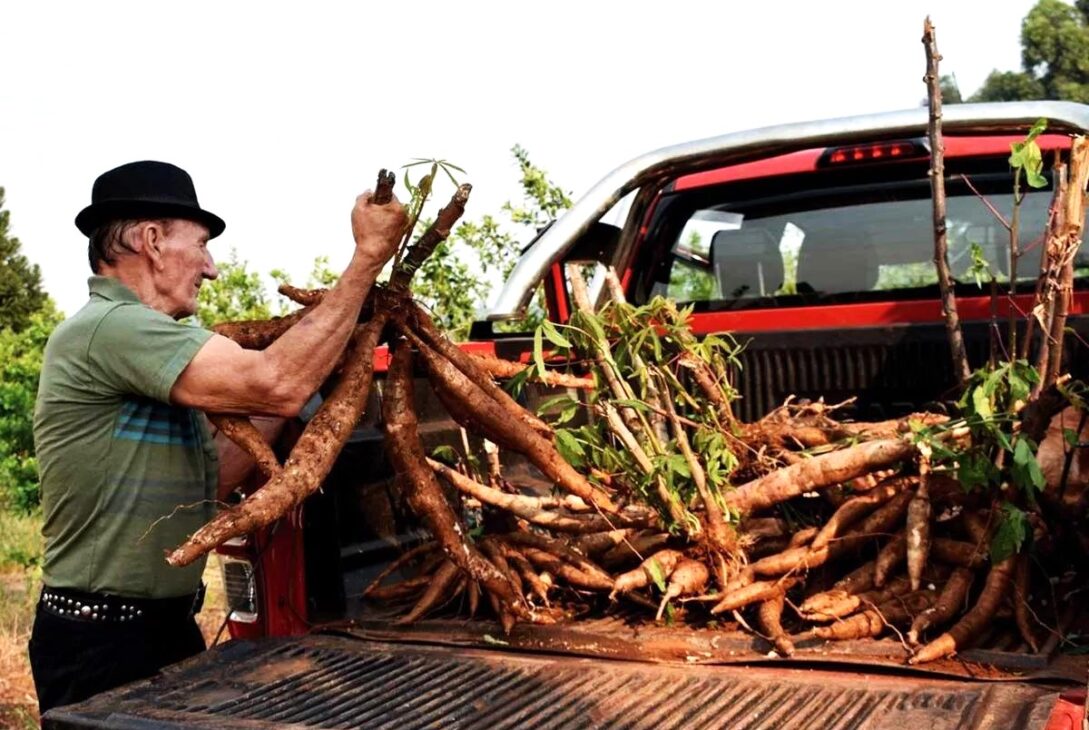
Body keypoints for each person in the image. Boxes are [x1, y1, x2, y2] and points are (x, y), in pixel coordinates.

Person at [28, 160, 406, 714]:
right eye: (201, 245)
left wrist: (316, 365)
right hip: (102, 643)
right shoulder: (113, 327)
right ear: (151, 241)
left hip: (159, 632)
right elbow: (273, 382)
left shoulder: (152, 358)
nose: (211, 269)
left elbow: (212, 482)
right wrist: (367, 261)